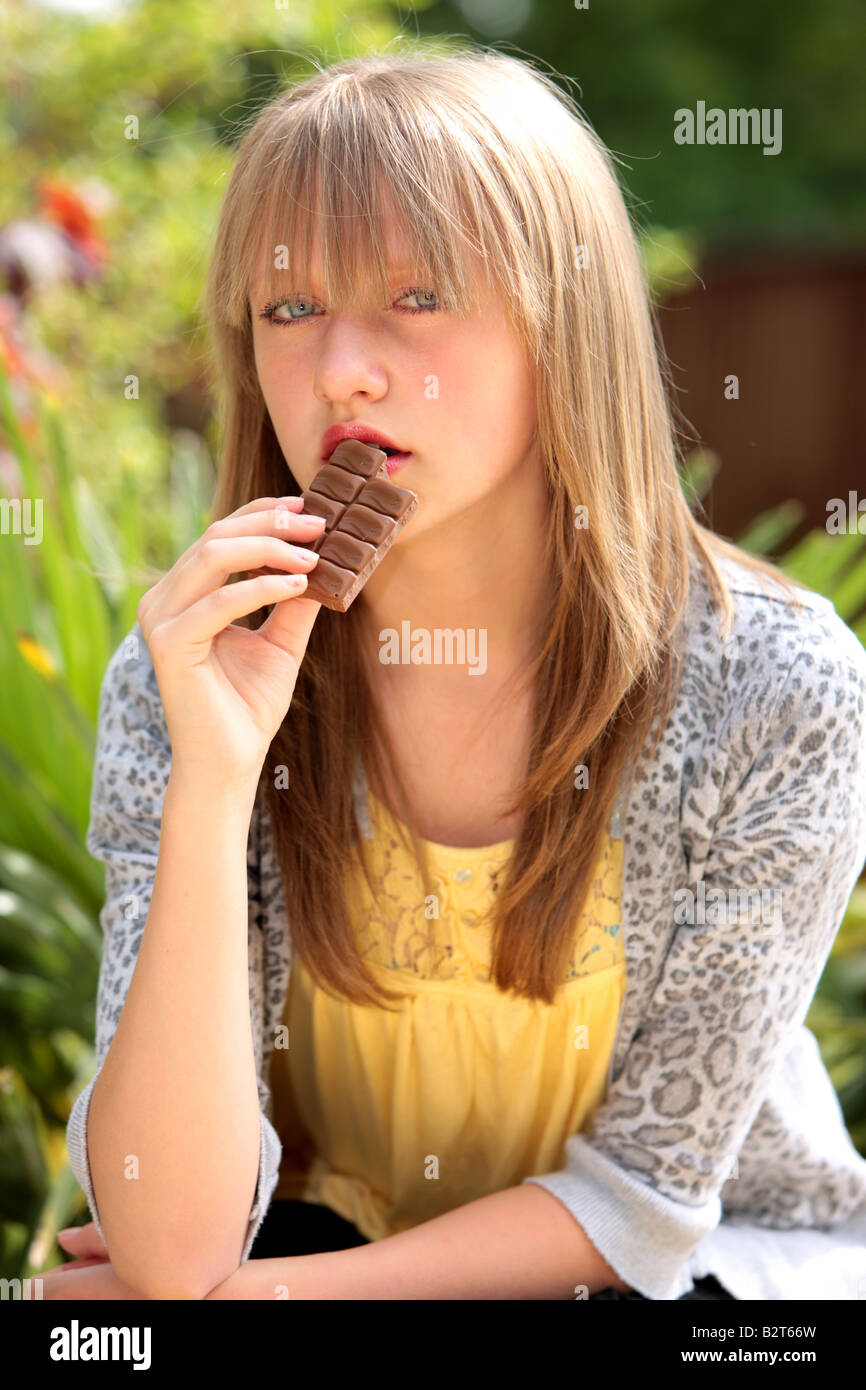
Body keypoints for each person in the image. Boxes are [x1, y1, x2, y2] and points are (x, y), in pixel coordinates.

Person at [58, 47, 866, 1302]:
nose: (341, 372)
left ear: (565, 319)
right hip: (327, 1255)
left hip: (700, 1287)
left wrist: (259, 1308)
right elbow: (166, 1251)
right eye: (288, 310)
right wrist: (216, 781)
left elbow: (643, 1213)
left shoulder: (775, 685)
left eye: (415, 297)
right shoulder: (191, 675)